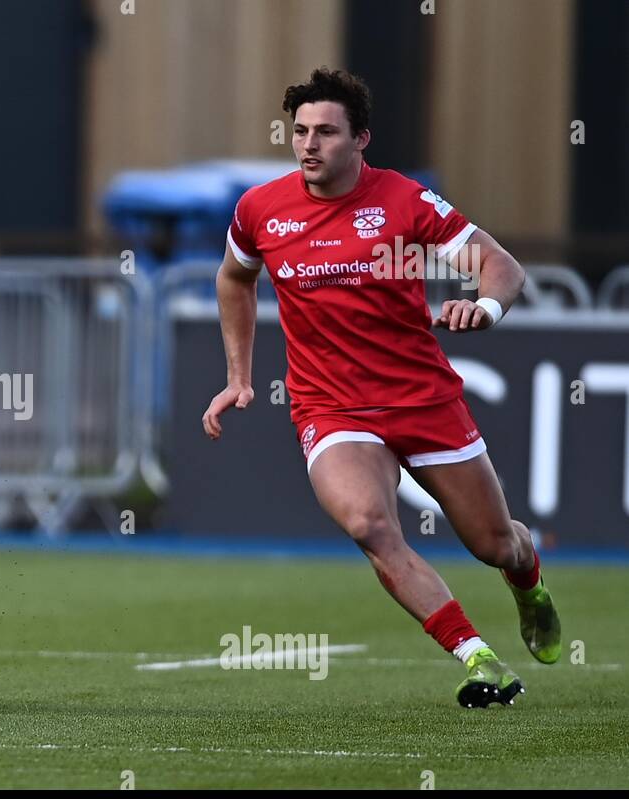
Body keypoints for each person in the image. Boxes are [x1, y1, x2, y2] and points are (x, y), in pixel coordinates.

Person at [202, 67, 559, 708]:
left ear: (361, 138)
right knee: (370, 525)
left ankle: (528, 579)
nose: (309, 144)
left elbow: (500, 265)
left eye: (327, 133)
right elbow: (234, 278)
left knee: (493, 543)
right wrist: (238, 377)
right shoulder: (261, 209)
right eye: (300, 131)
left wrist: (486, 306)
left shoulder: (404, 201)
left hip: (422, 399)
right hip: (330, 406)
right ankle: (479, 659)